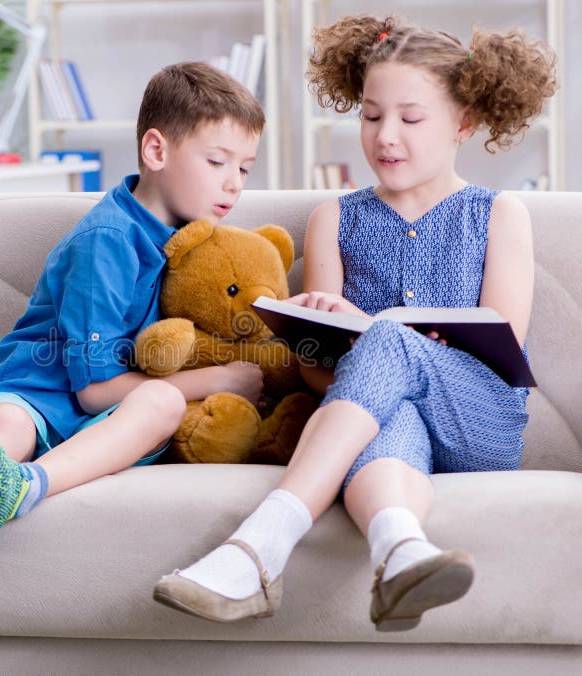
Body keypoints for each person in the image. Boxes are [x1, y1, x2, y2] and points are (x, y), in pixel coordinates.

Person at [0, 61, 266, 666]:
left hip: (102, 417)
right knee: (3, 432)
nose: (234, 185)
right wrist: (221, 379)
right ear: (156, 149)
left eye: (245, 169)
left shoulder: (191, 240)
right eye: (218, 162)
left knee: (165, 403)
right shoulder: (111, 239)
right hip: (43, 389)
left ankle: (24, 485)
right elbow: (93, 393)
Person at [154, 15, 557, 631]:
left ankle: (262, 543)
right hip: (373, 418)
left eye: (411, 118)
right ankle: (402, 554)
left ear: (464, 123)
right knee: (387, 420)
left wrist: (375, 329)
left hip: (479, 422)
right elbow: (320, 378)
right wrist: (328, 340)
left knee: (389, 336)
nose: (385, 136)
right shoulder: (333, 219)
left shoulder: (499, 214)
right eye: (371, 117)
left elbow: (502, 346)